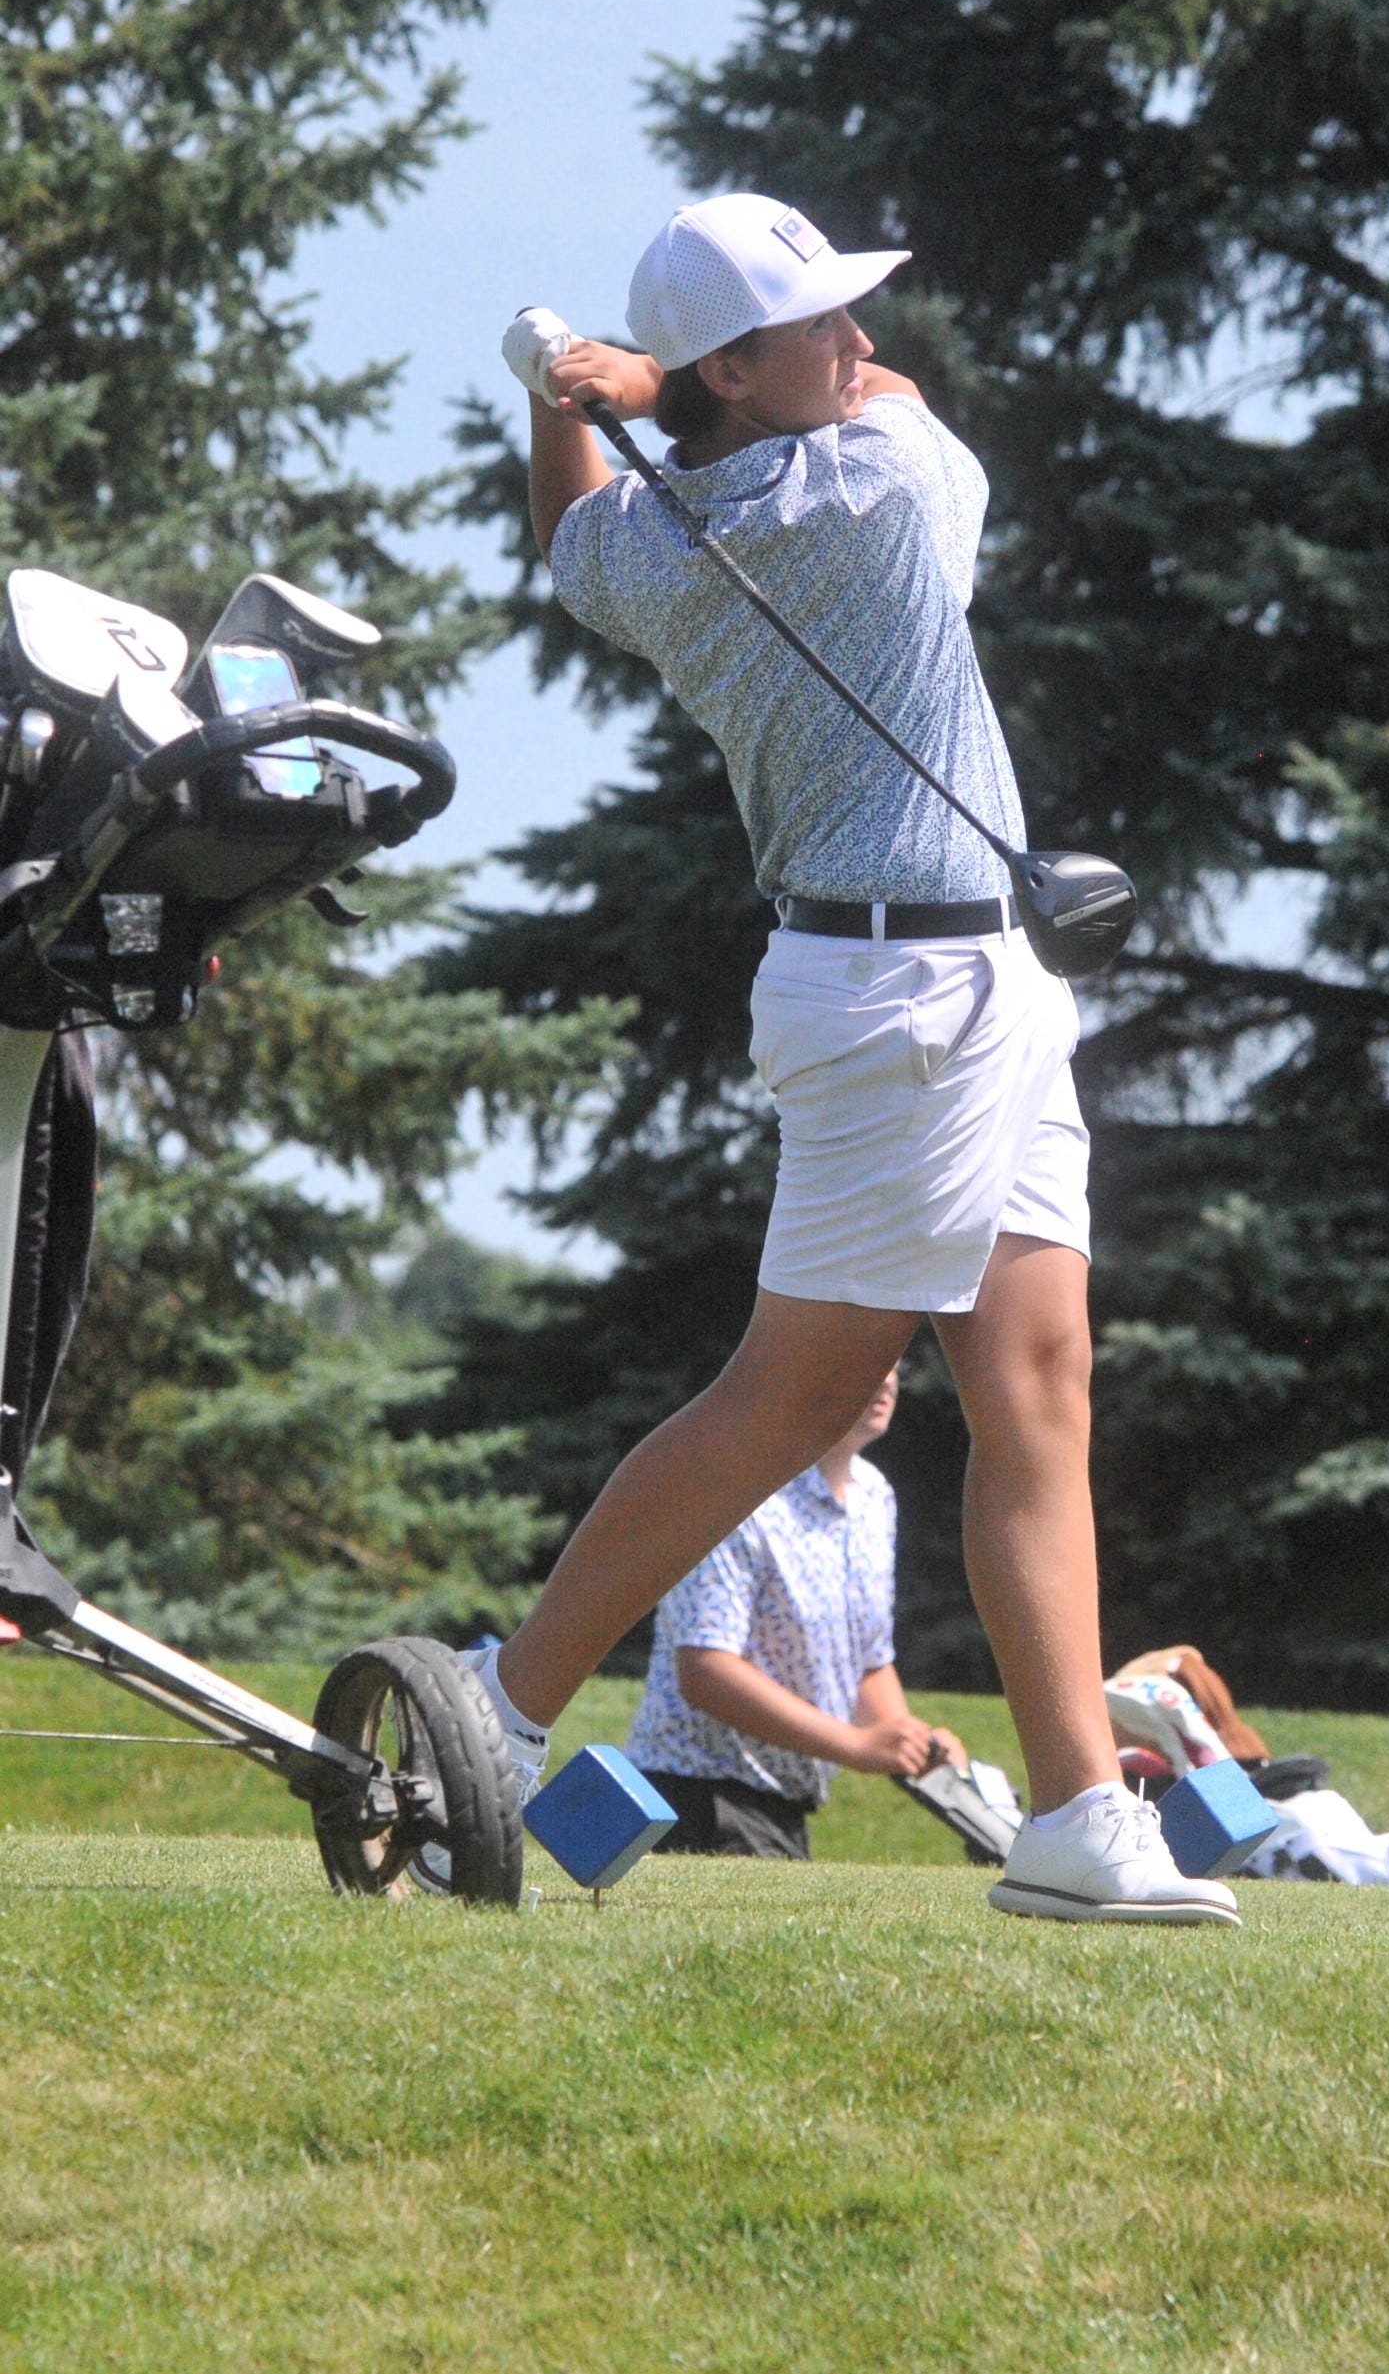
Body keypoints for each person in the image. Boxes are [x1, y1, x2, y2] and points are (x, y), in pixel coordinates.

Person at [481, 192, 1238, 1925]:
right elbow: (880, 400)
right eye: (814, 319)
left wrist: (574, 399)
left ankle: (1071, 1818)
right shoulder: (884, 485)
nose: (857, 337)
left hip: (976, 982)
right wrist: (646, 386)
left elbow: (571, 545)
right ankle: (503, 1700)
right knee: (795, 1399)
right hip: (897, 1001)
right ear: (740, 369)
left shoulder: (665, 549)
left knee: (1038, 1378)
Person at [625, 1370, 967, 1858]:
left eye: (894, 1362)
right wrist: (855, 1745)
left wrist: (913, 1743)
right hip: (696, 1804)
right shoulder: (738, 1492)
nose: (886, 1378)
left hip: (779, 1812)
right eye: (871, 1360)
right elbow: (705, 1670)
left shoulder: (875, 1497)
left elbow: (867, 1661)